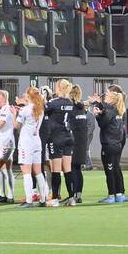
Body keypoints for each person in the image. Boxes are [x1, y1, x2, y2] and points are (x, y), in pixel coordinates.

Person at [14, 87, 52, 209]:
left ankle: (29, 200)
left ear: (28, 96)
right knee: (39, 172)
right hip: (37, 141)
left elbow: (16, 125)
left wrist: (15, 113)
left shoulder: (25, 110)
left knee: (26, 172)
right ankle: (43, 199)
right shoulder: (40, 108)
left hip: (26, 142)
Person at [44, 78, 77, 206]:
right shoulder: (70, 102)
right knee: (67, 169)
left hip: (56, 137)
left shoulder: (53, 102)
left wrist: (44, 98)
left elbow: (42, 110)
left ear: (58, 88)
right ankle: (71, 198)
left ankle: (55, 199)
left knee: (56, 170)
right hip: (68, 136)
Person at [92, 88, 128, 203]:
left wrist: (97, 115)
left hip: (109, 144)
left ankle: (111, 195)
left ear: (112, 99)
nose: (105, 98)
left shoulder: (111, 109)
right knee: (115, 168)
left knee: (110, 170)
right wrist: (99, 106)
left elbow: (103, 124)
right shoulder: (119, 109)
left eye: (107, 97)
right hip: (117, 143)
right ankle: (118, 193)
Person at [67, 84, 91, 206]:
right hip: (82, 142)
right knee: (77, 169)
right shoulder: (82, 107)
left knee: (72, 169)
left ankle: (73, 195)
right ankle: (78, 195)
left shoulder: (70, 107)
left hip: (72, 141)